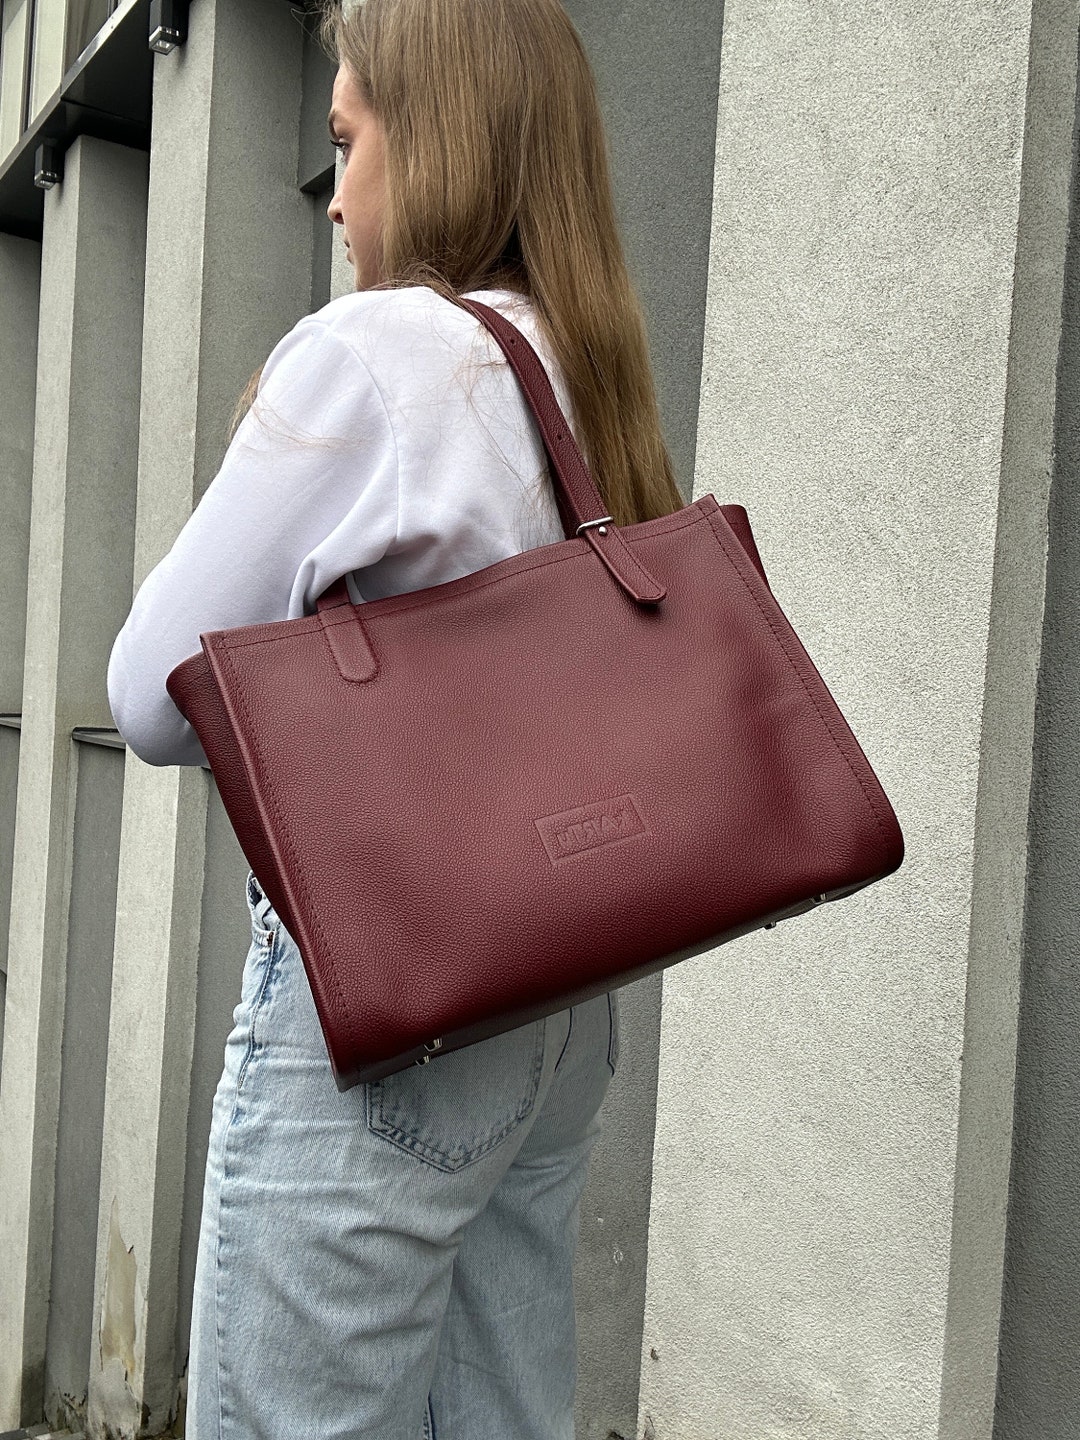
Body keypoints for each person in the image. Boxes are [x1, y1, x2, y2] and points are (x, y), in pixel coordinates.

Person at [107, 0, 683, 1435]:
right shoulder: (582, 362)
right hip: (558, 1009)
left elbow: (149, 697)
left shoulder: (378, 353)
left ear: (434, 145)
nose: (342, 194)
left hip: (398, 1000)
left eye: (350, 142)